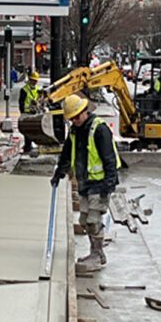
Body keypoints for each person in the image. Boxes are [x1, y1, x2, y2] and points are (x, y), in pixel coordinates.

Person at [53, 94, 120, 273]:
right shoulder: (76, 130)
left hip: (100, 183)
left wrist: (109, 185)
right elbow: (68, 151)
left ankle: (97, 255)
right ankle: (95, 252)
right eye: (71, 118)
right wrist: (60, 171)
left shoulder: (99, 129)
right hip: (85, 181)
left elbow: (109, 159)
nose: (74, 121)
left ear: (84, 111)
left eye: (76, 117)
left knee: (93, 219)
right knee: (84, 219)